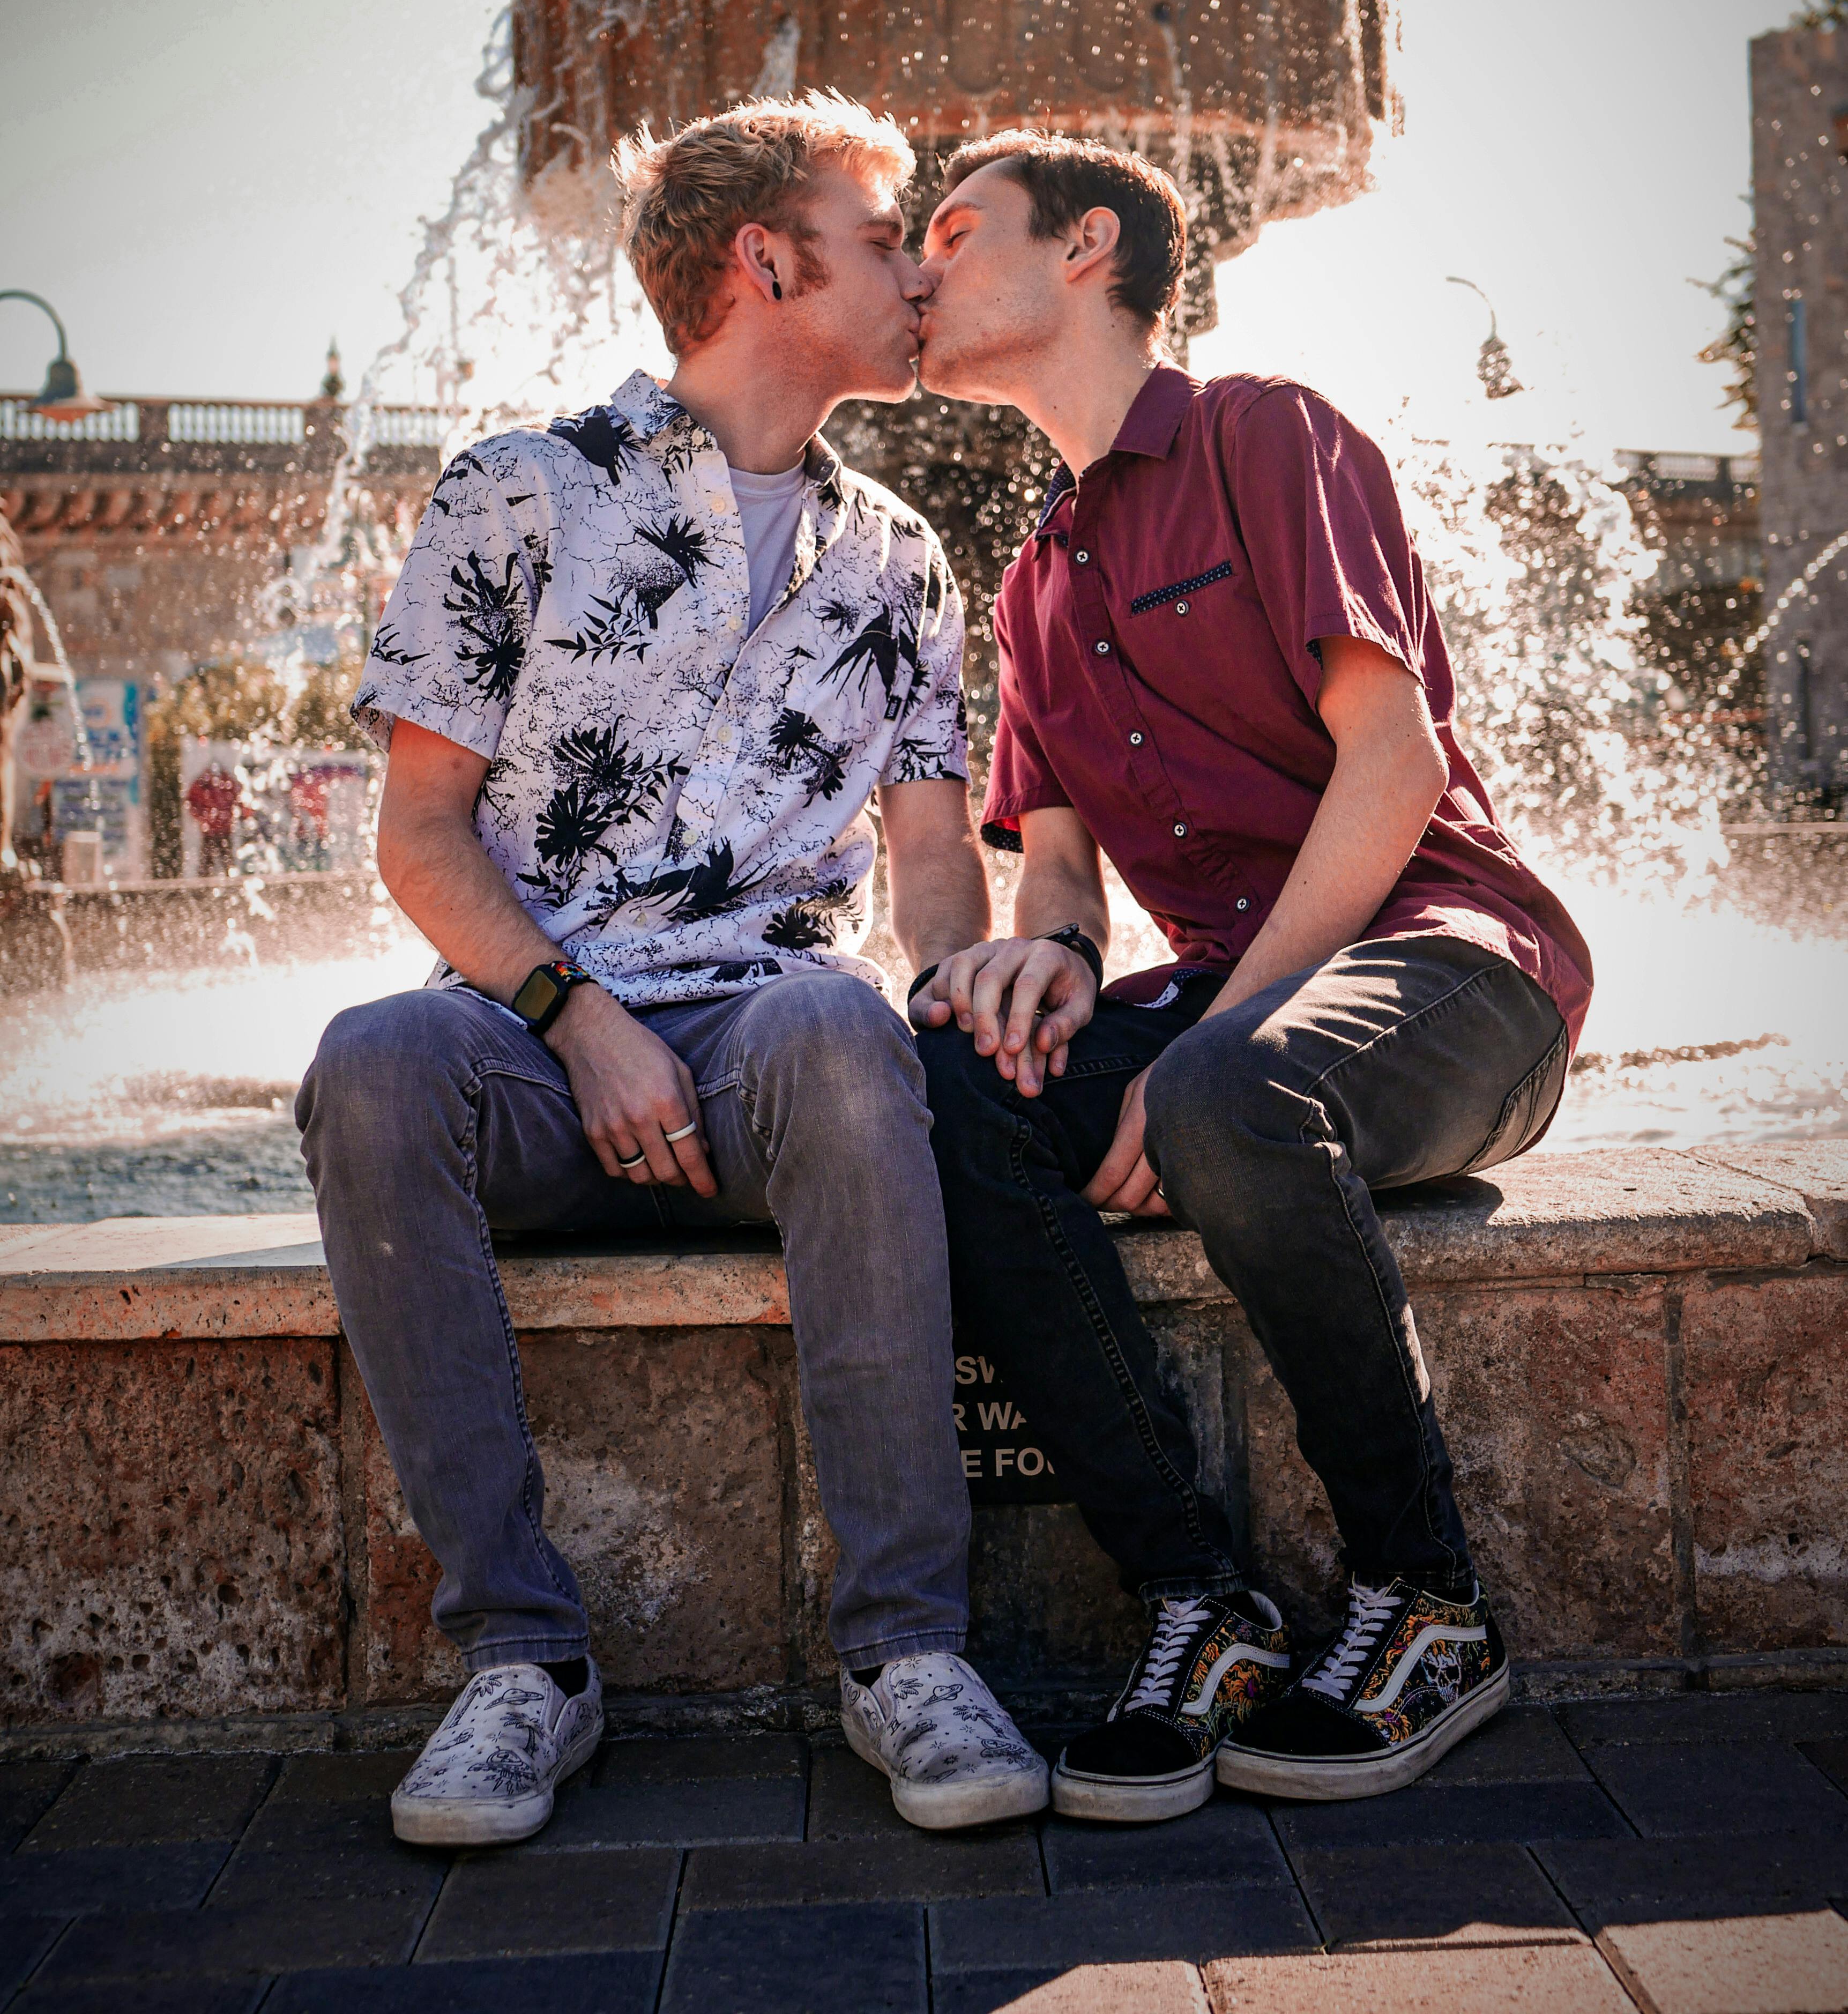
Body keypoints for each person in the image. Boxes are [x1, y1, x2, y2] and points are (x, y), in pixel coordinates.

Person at [299, 95, 1049, 1847]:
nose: (919, 277)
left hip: (774, 1056)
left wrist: (973, 986)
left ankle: (908, 1652)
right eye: (886, 240)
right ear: (766, 261)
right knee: (371, 1060)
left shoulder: (901, 559)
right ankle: (521, 1663)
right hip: (531, 1046)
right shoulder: (519, 488)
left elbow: (933, 854)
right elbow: (421, 839)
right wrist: (578, 1023)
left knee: (843, 1023)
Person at [908, 130, 1593, 1819]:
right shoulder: (1031, 588)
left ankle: (1428, 1601)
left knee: (1224, 1084)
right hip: (1249, 1023)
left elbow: (1395, 765)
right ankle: (1198, 1602)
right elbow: (1057, 869)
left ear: (1085, 246)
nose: (916, 266)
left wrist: (1206, 1036)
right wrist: (1049, 969)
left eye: (953, 228)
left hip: (1458, 973)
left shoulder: (1264, 433)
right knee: (946, 1081)